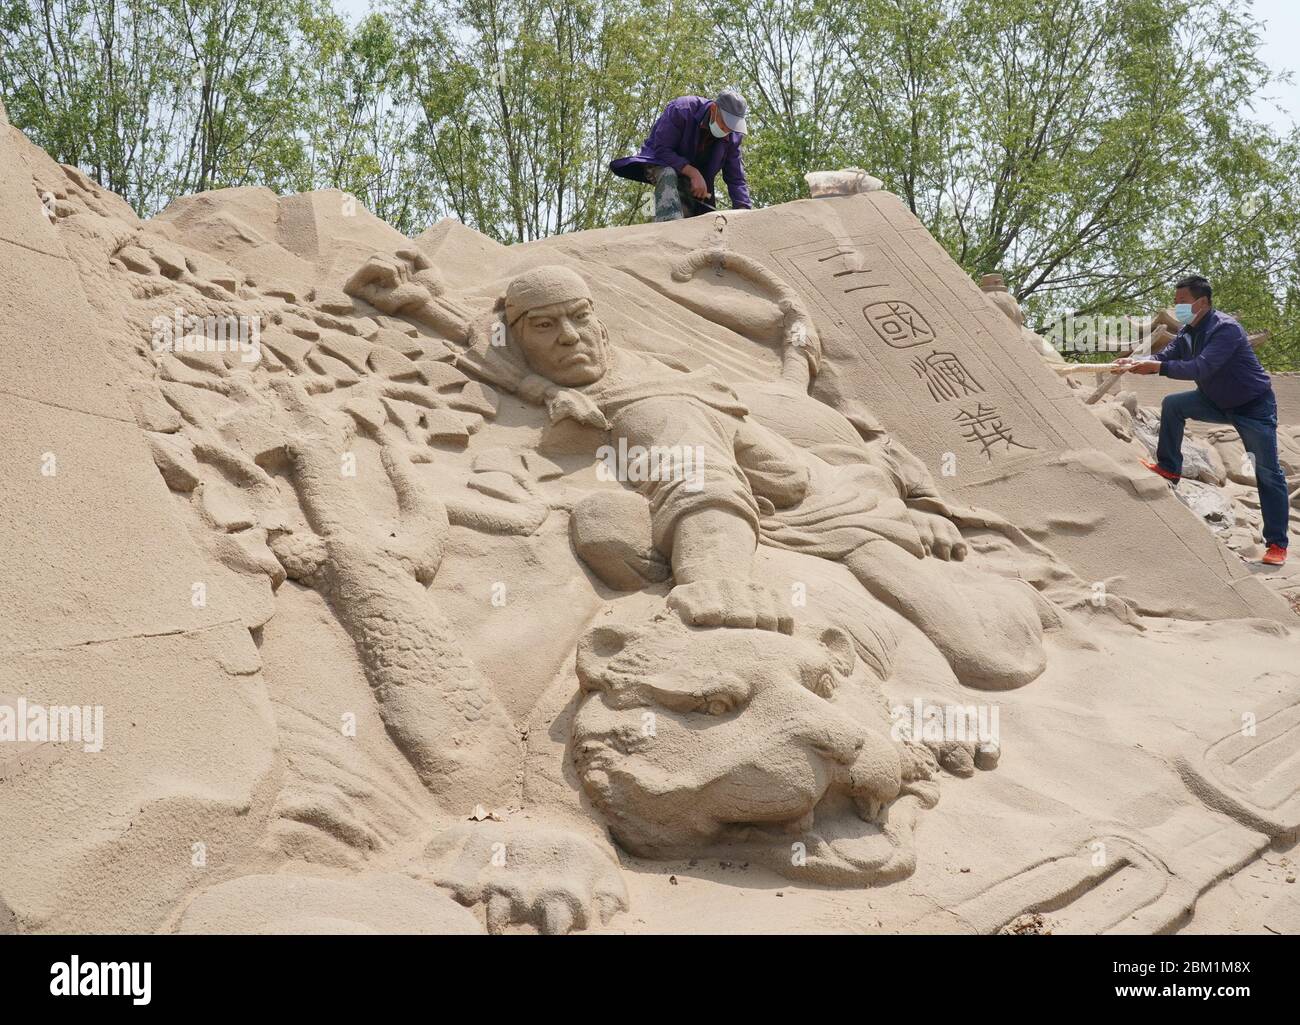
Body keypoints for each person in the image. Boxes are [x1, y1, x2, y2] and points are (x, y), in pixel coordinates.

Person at [1115, 275, 1289, 565]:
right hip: (1215, 400)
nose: (1177, 307)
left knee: (1268, 473)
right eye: (1176, 302)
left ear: (1203, 302)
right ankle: (1170, 467)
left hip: (1253, 407)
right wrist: (1134, 362)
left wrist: (1156, 369)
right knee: (1174, 405)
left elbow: (1202, 366)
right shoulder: (1189, 330)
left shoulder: (1226, 329)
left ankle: (1277, 545)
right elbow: (1169, 353)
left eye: (1182, 302)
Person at [610, 91, 752, 221]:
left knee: (698, 220)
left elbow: (736, 179)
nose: (727, 129)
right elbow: (662, 149)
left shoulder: (733, 137)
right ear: (714, 109)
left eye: (732, 126)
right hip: (662, 162)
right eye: (725, 123)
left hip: (696, 179)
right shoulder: (682, 109)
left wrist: (744, 209)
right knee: (668, 174)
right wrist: (693, 172)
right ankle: (667, 228)